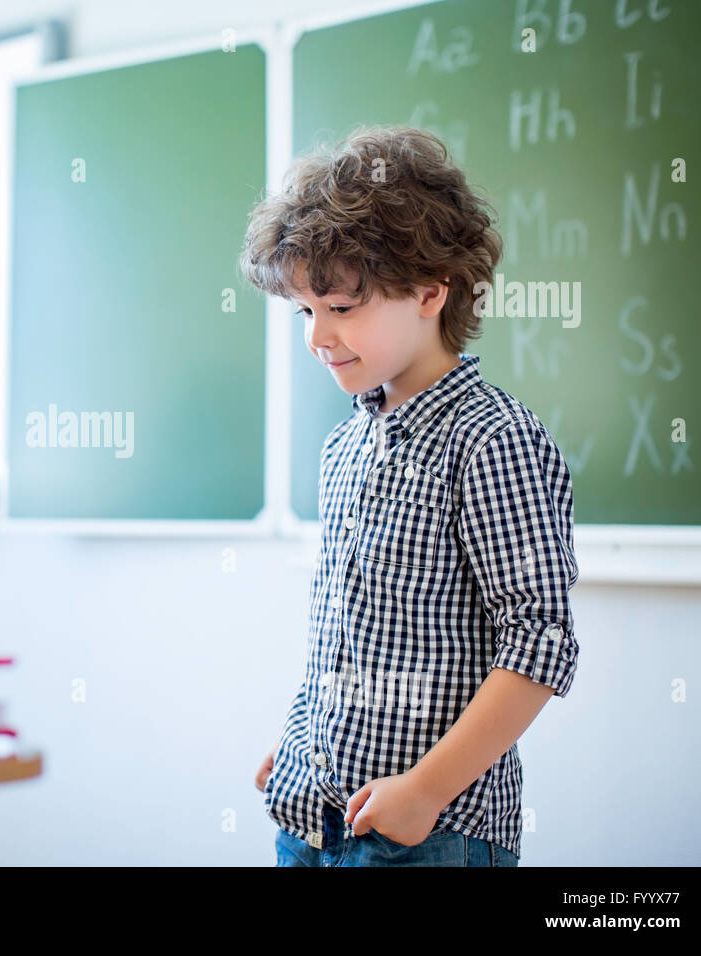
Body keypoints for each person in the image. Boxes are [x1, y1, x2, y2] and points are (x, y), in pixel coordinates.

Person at [239, 126, 579, 866]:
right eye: (305, 311)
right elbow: (343, 631)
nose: (316, 336)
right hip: (312, 813)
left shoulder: (492, 439)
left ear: (431, 291)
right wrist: (300, 738)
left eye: (341, 306)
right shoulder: (343, 448)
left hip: (429, 833)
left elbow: (539, 644)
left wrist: (424, 790)